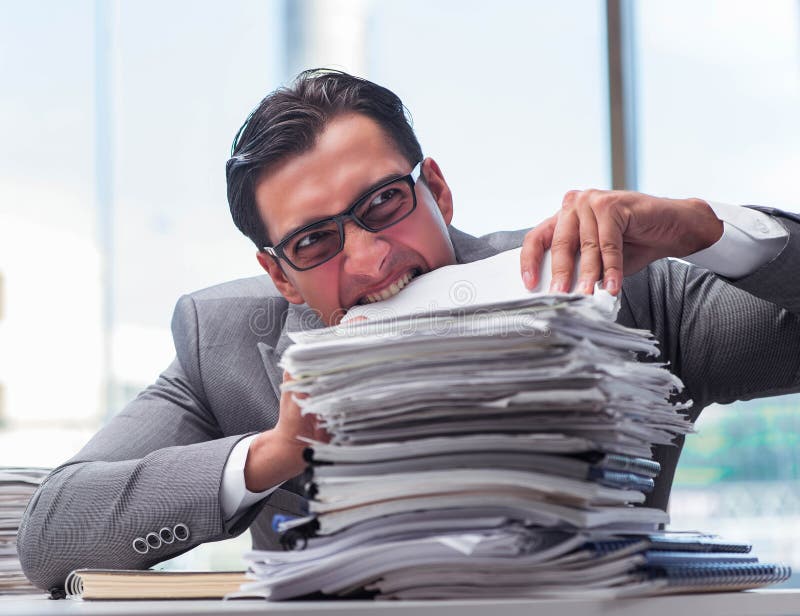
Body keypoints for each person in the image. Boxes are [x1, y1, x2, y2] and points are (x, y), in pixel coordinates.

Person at [18, 69, 800, 591]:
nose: (368, 258)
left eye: (384, 204)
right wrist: (274, 452)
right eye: (314, 242)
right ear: (278, 275)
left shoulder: (616, 281)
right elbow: (51, 533)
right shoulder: (222, 339)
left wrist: (705, 230)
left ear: (438, 191)